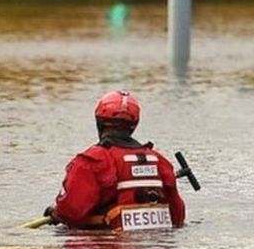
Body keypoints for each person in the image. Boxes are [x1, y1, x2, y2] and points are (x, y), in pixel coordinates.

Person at [45, 90, 186, 229]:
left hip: (109, 246)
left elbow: (72, 212)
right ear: (134, 125)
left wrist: (56, 213)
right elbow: (178, 216)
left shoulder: (92, 161)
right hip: (155, 246)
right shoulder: (159, 160)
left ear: (99, 122)